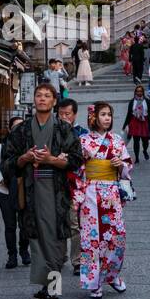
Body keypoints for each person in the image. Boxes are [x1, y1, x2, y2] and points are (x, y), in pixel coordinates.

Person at [2, 83, 84, 299]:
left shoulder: (64, 129)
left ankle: (53, 290)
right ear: (33, 99)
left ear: (55, 101)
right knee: (36, 239)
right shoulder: (21, 130)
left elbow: (77, 159)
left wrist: (51, 160)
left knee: (55, 240)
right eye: (38, 95)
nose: (42, 99)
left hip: (56, 191)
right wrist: (25, 158)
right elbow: (7, 163)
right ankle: (46, 286)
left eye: (47, 96)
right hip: (30, 190)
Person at [73, 101, 131, 299]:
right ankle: (94, 282)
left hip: (112, 193)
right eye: (103, 114)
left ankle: (112, 275)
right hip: (90, 192)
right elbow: (76, 169)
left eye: (109, 115)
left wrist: (120, 164)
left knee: (117, 236)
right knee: (92, 239)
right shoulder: (83, 140)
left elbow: (128, 168)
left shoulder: (117, 140)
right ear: (93, 117)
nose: (107, 118)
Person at [0, 116, 28, 269]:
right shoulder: (2, 146)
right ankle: (11, 255)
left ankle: (24, 251)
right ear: (10, 129)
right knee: (10, 225)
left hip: (22, 189)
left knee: (25, 224)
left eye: (22, 126)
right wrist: (2, 181)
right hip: (4, 191)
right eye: (15, 127)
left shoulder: (28, 146)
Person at [58, 98, 88, 277]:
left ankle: (77, 260)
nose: (63, 117)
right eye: (60, 114)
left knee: (76, 225)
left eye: (67, 114)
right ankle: (59, 258)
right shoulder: (52, 132)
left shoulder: (83, 134)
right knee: (58, 224)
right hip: (57, 184)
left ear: (75, 114)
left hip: (77, 185)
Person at [123, 85, 150, 163]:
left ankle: (145, 150)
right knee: (136, 141)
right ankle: (137, 157)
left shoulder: (147, 101)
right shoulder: (132, 101)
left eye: (140, 91)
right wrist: (125, 125)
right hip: (134, 122)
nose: (139, 92)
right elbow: (129, 114)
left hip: (145, 122)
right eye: (137, 91)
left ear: (143, 92)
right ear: (135, 92)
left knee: (145, 141)